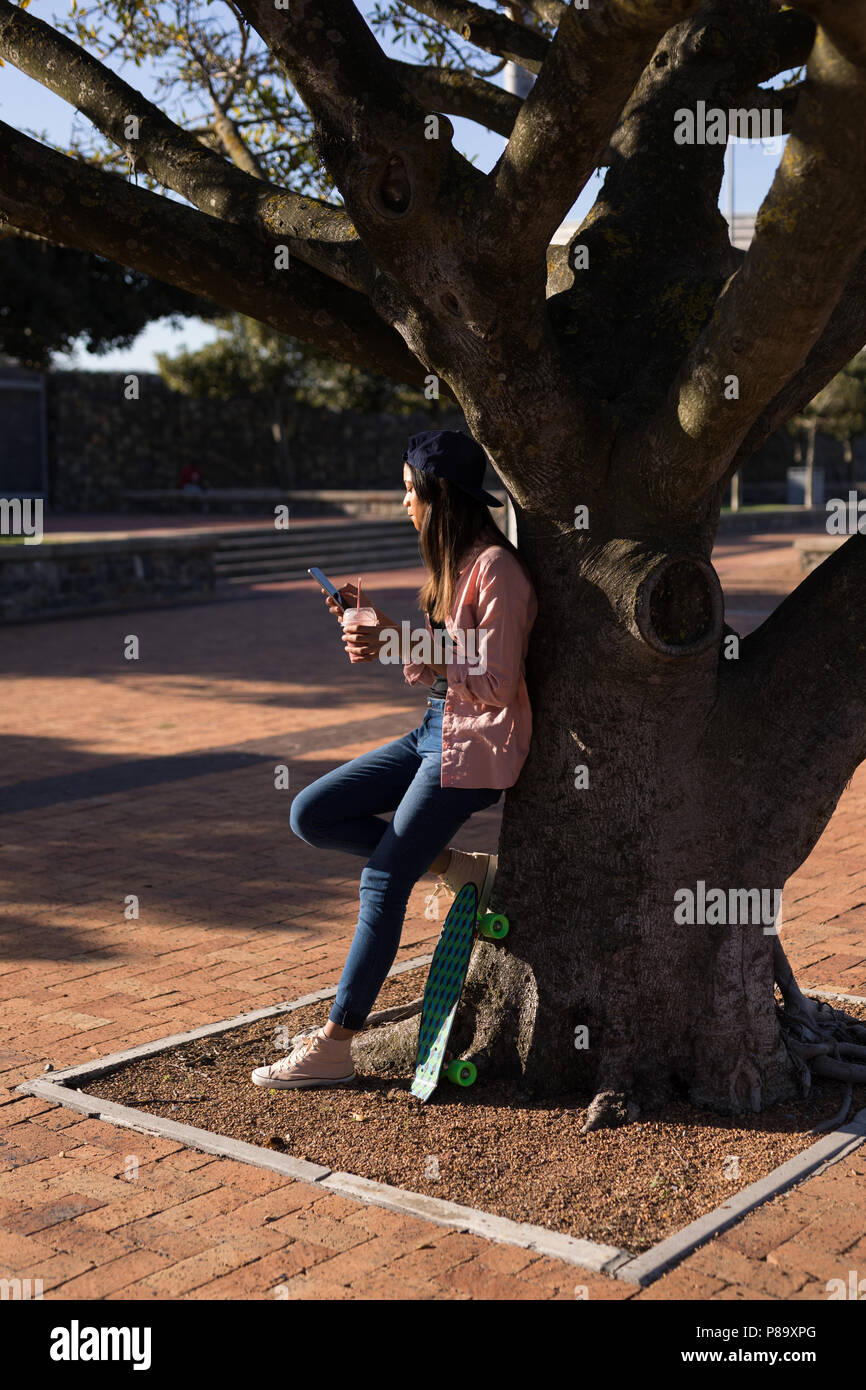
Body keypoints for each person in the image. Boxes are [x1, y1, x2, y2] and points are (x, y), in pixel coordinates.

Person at [251, 429, 538, 1089]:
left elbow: (496, 679)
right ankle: (460, 869)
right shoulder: (459, 564)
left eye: (410, 492)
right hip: (434, 729)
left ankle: (334, 1044)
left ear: (439, 497)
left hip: (474, 744)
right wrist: (379, 628)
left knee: (383, 881)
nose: (404, 504)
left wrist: (396, 638)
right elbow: (439, 655)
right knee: (312, 813)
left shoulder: (497, 569)